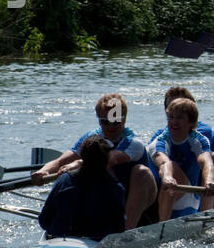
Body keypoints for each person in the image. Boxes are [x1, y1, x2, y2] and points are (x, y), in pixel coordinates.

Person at [34, 93, 157, 228]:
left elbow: (108, 159)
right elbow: (60, 161)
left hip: (140, 201)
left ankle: (126, 230)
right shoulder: (92, 138)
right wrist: (44, 171)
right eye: (105, 121)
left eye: (115, 121)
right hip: (110, 197)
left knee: (141, 172)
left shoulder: (133, 143)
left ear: (124, 119)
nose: (111, 126)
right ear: (99, 120)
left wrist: (77, 163)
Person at [37, 134, 127, 240]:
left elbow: (44, 221)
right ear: (107, 159)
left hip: (57, 238)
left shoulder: (64, 179)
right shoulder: (116, 188)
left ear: (82, 157)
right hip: (94, 243)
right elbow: (120, 228)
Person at [148, 96, 214, 219]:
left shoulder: (199, 140)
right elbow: (163, 163)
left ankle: (203, 218)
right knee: (170, 167)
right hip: (163, 192)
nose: (174, 122)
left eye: (180, 117)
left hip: (187, 198)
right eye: (171, 117)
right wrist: (167, 177)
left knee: (212, 159)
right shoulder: (160, 140)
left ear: (191, 123)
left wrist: (210, 180)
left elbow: (206, 162)